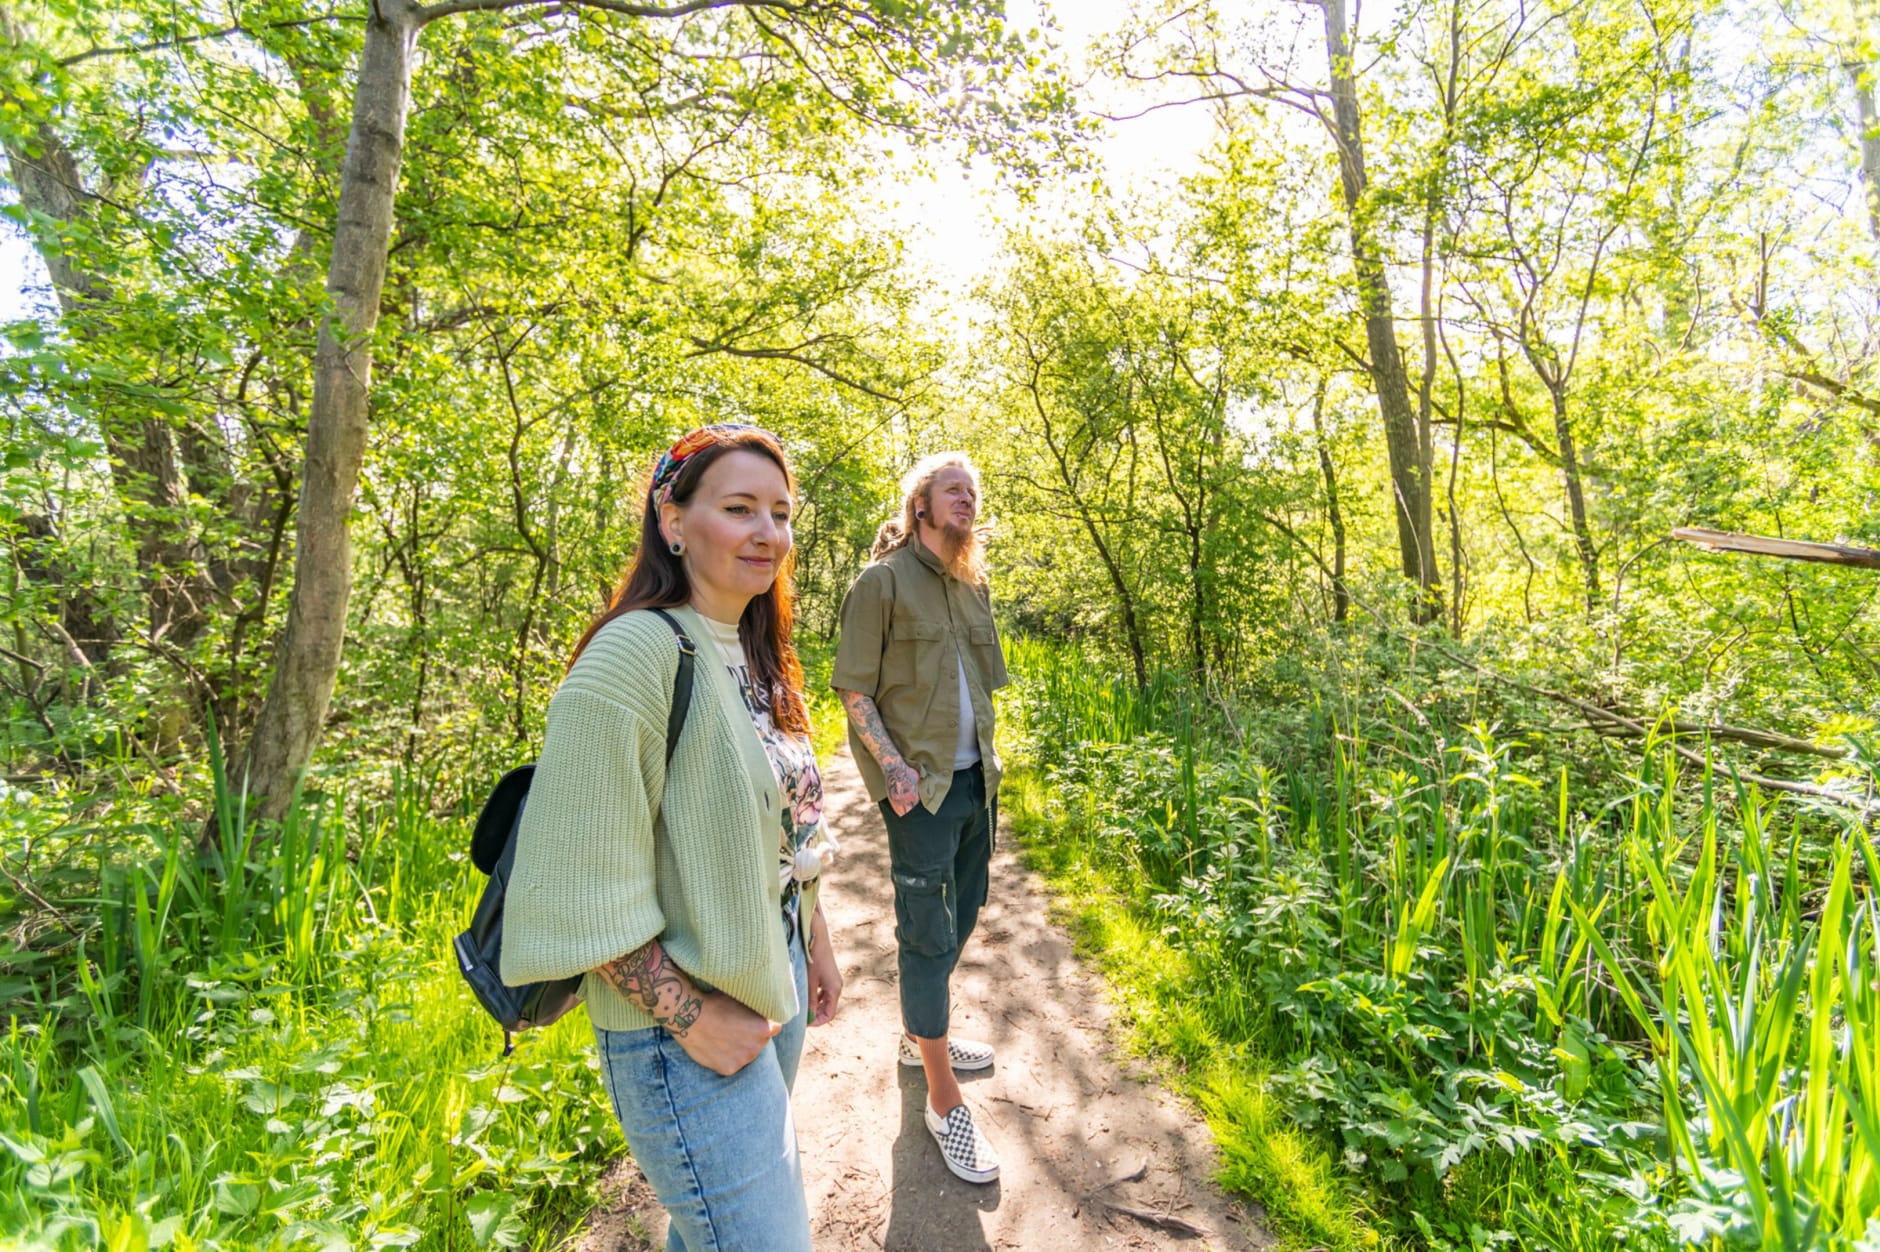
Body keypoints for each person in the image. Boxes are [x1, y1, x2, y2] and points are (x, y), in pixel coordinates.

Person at [502, 423, 843, 1251]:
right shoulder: (634, 653)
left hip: (772, 975)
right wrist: (690, 1017)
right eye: (739, 508)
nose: (769, 533)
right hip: (677, 1031)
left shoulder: (756, 654)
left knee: (709, 1235)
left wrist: (816, 941)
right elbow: (574, 881)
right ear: (673, 520)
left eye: (781, 513)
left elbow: (786, 830)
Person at [831, 451, 1008, 1185]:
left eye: (973, 489)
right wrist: (893, 771)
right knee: (927, 935)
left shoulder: (973, 585)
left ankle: (917, 1032)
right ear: (921, 506)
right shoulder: (881, 583)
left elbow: (980, 687)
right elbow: (853, 691)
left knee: (967, 911)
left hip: (976, 784)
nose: (967, 499)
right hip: (919, 793)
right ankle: (942, 1098)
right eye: (952, 489)